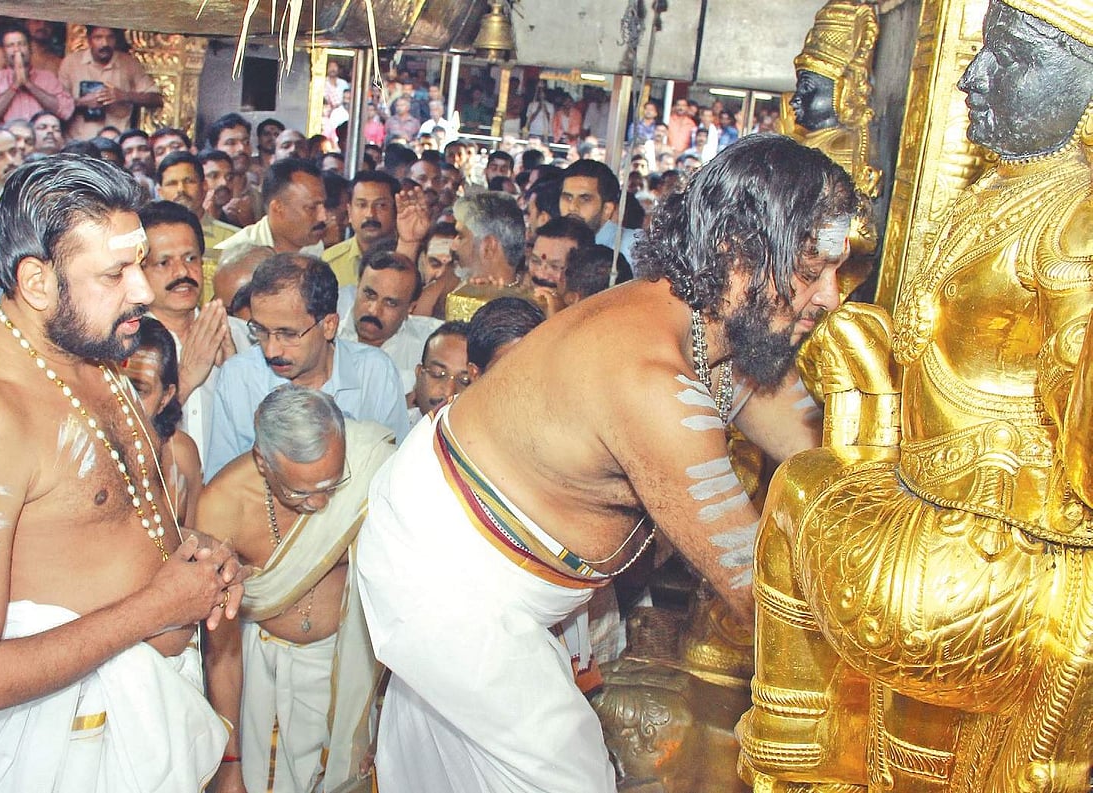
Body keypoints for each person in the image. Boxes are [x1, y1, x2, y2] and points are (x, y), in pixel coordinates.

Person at [357, 134, 857, 792]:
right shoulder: (650, 377)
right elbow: (758, 591)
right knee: (570, 777)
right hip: (446, 571)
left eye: (837, 272)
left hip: (487, 561)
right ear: (740, 252)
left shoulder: (712, 327)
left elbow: (824, 453)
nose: (829, 296)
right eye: (811, 269)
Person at [738, 3, 1093, 790]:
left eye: (1015, 58)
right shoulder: (1003, 192)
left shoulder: (1076, 223)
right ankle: (793, 757)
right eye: (983, 53)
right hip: (933, 516)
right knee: (908, 761)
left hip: (997, 551)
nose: (975, 75)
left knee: (800, 491)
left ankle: (787, 759)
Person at [0, 154, 245, 792]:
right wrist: (154, 608)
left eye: (141, 265)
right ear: (36, 282)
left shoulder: (98, 354)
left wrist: (193, 554)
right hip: (54, 750)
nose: (144, 291)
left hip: (143, 717)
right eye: (116, 273)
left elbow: (116, 523)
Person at [202, 385, 394, 793]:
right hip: (261, 670)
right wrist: (229, 760)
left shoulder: (369, 467)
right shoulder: (222, 505)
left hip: (347, 663)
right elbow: (220, 647)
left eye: (332, 484)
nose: (322, 504)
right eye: (302, 492)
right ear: (263, 462)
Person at [205, 252, 409, 480]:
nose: (271, 350)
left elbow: (396, 475)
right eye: (261, 330)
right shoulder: (239, 378)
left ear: (329, 325)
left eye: (288, 334)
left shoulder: (376, 374)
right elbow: (221, 485)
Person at [139, 200, 249, 458]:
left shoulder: (243, 335)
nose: (183, 272)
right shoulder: (125, 348)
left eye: (191, 259)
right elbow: (126, 438)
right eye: (164, 263)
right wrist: (185, 381)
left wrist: (236, 373)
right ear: (138, 270)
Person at [124, 317, 203, 527]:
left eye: (139, 390)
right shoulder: (80, 448)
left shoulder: (180, 452)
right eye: (115, 383)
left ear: (165, 397)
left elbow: (192, 544)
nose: (123, 398)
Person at [338, 248, 443, 398]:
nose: (374, 311)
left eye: (390, 303)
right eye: (369, 295)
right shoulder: (325, 337)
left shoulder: (433, 343)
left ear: (410, 308)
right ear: (357, 287)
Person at [59, 26, 161, 140]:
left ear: (116, 39)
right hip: (78, 141)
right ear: (89, 40)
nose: (105, 43)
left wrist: (124, 96)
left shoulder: (129, 63)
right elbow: (57, 105)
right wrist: (82, 103)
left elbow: (156, 98)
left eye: (110, 37)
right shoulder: (71, 63)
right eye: (98, 38)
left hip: (116, 143)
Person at [217, 158, 329, 256]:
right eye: (311, 208)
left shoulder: (318, 250)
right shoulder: (231, 257)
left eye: (324, 205)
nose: (323, 217)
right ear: (278, 208)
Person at [560, 158, 642, 274]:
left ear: (607, 209)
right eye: (567, 197)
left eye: (585, 199)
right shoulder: (555, 242)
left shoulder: (632, 246)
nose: (572, 207)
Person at [0, 25, 74, 125]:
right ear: (3, 52)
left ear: (30, 48)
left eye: (21, 44)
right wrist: (15, 85)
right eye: (10, 45)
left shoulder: (48, 78)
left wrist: (29, 84)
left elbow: (66, 112)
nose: (17, 50)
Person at [408, 321, 469, 423]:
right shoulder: (394, 432)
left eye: (464, 380)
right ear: (419, 374)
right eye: (438, 374)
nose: (449, 392)